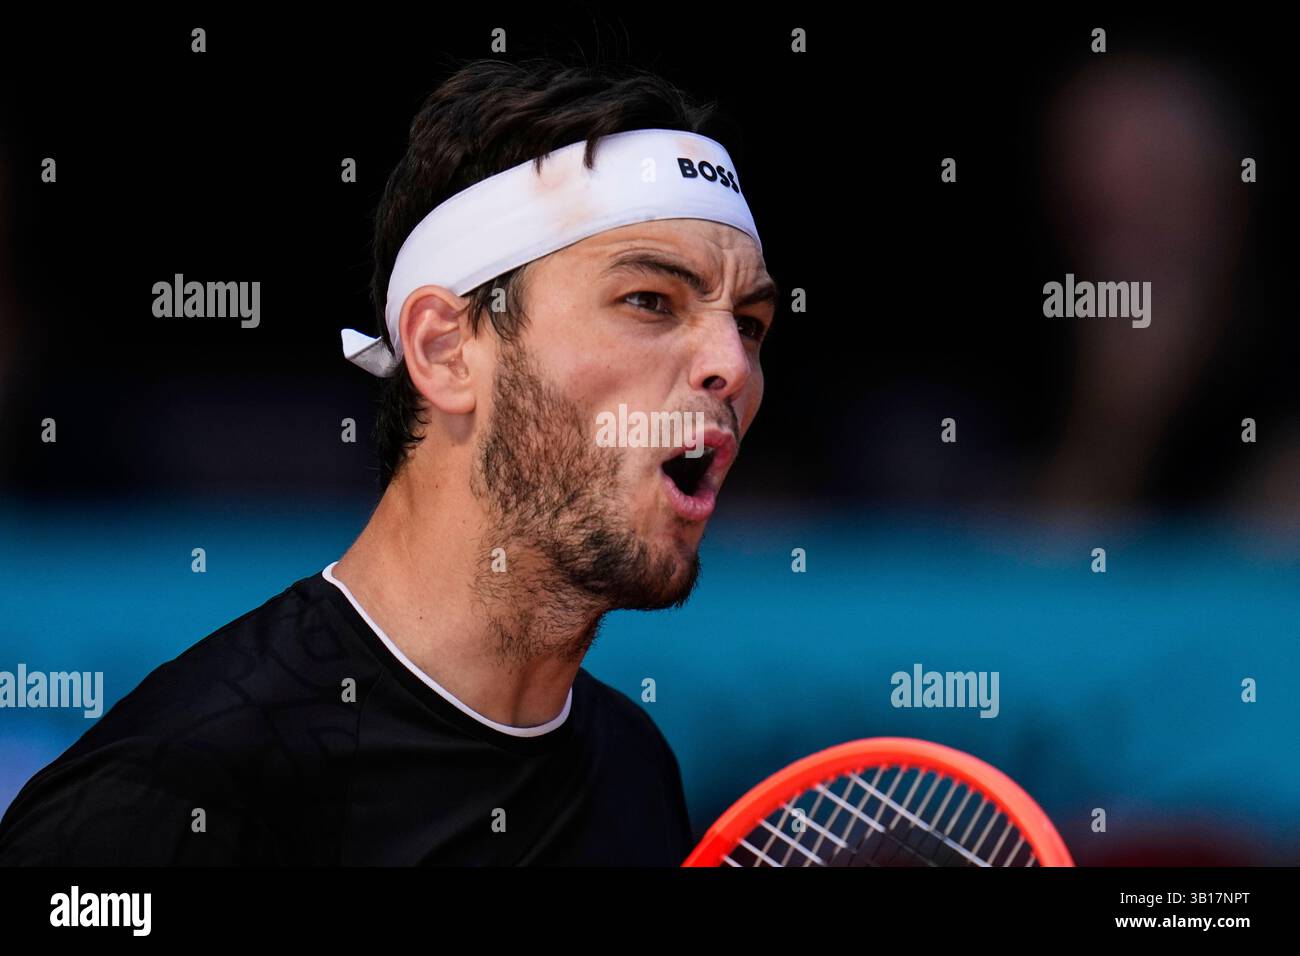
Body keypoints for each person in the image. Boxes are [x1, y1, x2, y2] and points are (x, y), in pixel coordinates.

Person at [0, 57, 778, 865]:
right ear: (444, 350)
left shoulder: (634, 766)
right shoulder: (162, 803)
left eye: (751, 324)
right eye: (650, 300)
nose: (732, 365)